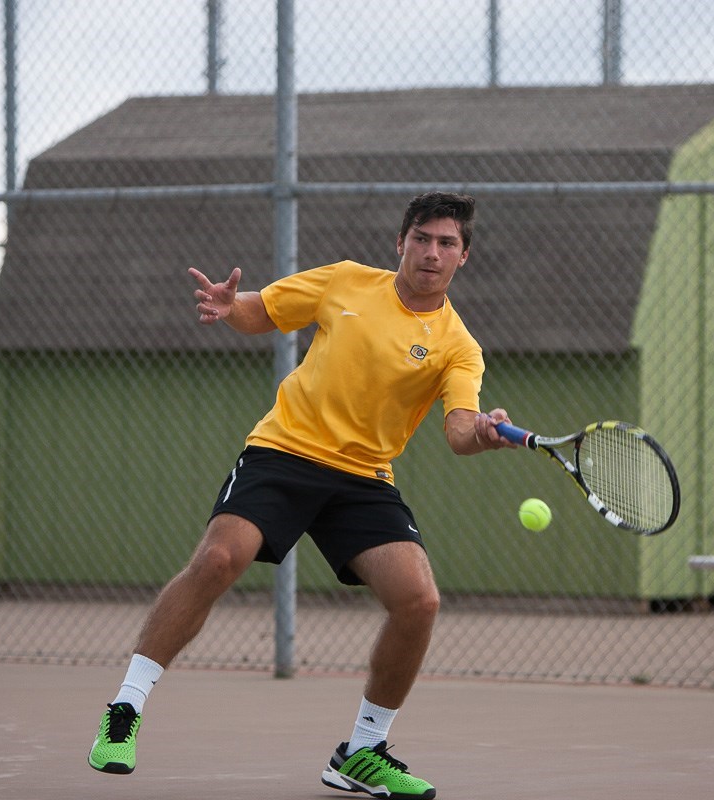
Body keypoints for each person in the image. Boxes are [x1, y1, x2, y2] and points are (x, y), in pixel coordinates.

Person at [88, 191, 513, 799]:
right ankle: (125, 709)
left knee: (418, 600)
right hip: (284, 452)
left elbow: (458, 431)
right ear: (401, 243)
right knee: (216, 560)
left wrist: (485, 435)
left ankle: (362, 752)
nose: (432, 252)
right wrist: (227, 305)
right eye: (422, 238)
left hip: (364, 477)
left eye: (447, 243)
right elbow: (260, 310)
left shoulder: (458, 345)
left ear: (463, 257)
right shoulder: (344, 281)